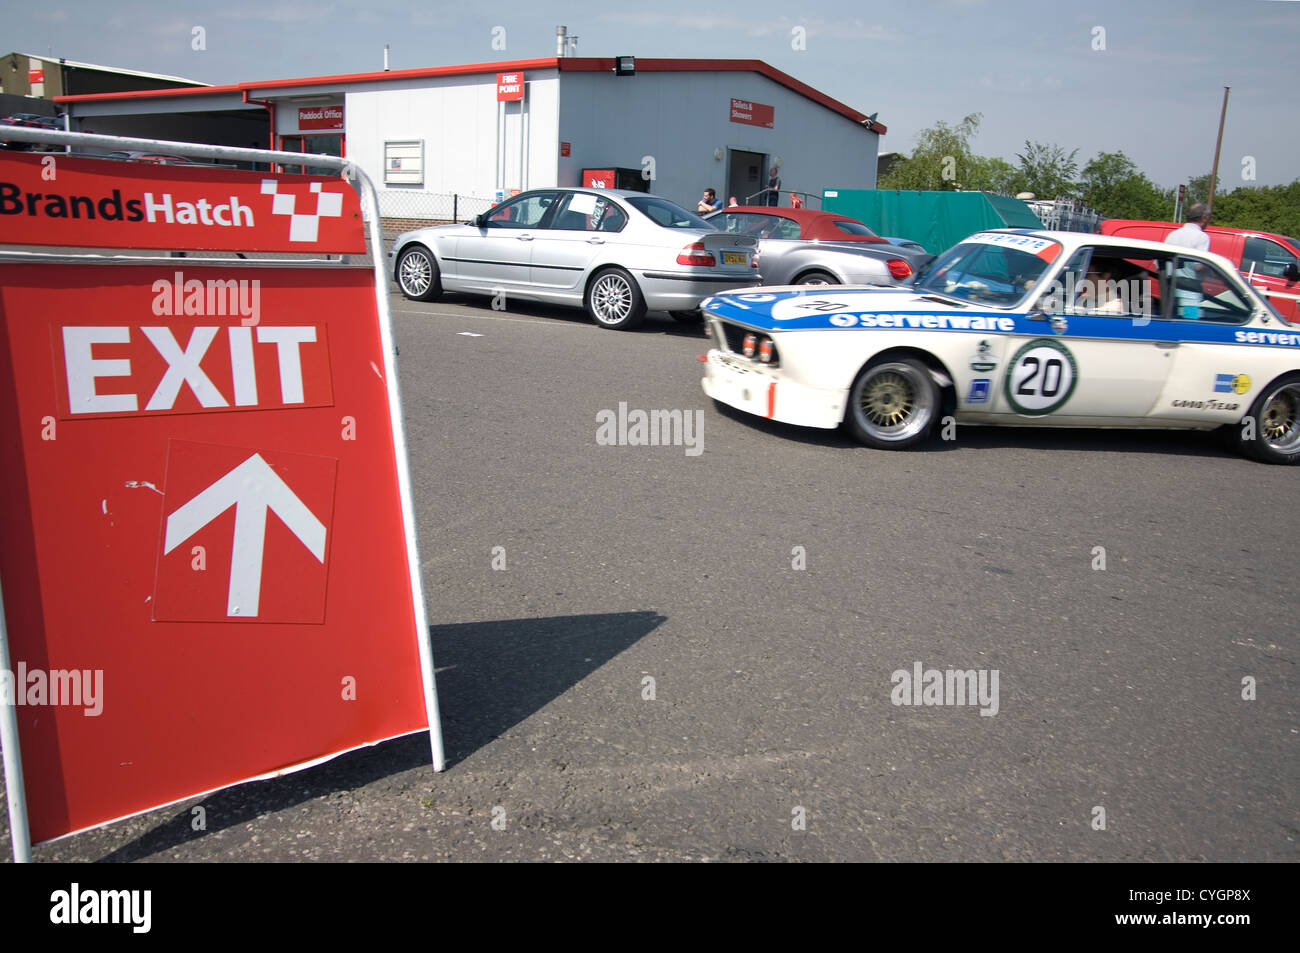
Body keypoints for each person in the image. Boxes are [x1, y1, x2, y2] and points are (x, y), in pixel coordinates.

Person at [1165, 203, 1211, 318]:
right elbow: (1198, 266)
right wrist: (1211, 270)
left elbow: (1161, 264)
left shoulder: (1172, 235)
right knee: (1189, 328)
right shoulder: (1201, 237)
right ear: (1204, 217)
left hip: (1171, 291)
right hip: (1190, 294)